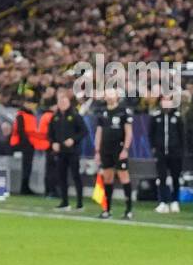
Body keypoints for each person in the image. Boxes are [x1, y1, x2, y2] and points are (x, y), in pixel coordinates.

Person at [93, 90, 134, 220]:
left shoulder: (123, 111)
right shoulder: (102, 112)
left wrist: (125, 149)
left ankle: (128, 210)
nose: (110, 96)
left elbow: (129, 132)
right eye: (107, 94)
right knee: (107, 178)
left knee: (123, 176)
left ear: (117, 96)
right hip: (106, 150)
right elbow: (98, 133)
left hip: (119, 148)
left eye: (112, 94)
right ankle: (107, 209)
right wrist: (97, 151)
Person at [47, 93, 86, 210]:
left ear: (69, 103)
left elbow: (84, 132)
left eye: (64, 102)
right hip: (60, 152)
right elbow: (50, 133)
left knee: (75, 176)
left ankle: (79, 203)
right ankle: (64, 202)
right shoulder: (55, 117)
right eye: (60, 102)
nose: (62, 105)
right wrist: (53, 143)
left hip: (73, 152)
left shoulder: (75, 115)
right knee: (61, 177)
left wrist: (73, 140)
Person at [149, 93, 185, 214]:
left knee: (176, 177)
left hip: (175, 152)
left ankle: (175, 201)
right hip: (160, 152)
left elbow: (182, 135)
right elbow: (151, 134)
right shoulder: (156, 116)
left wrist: (181, 150)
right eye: (164, 100)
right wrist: (154, 148)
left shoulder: (177, 117)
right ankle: (163, 202)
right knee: (162, 177)